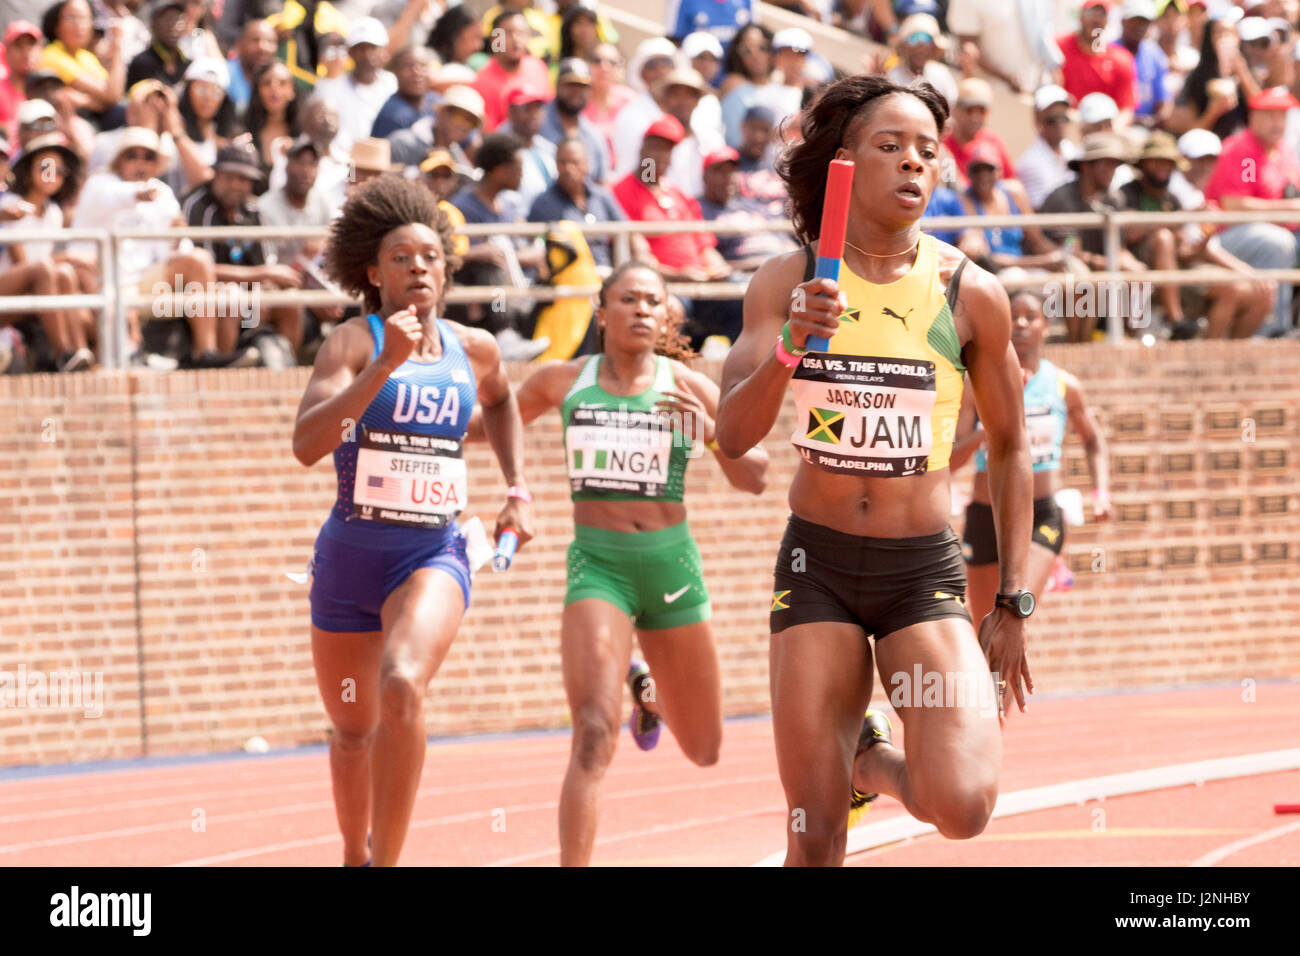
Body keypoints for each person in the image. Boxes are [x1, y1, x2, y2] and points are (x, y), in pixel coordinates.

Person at [716, 74, 1034, 866]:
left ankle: (870, 760)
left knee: (963, 805)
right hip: (815, 563)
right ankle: (842, 770)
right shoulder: (787, 282)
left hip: (919, 571)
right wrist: (792, 347)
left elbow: (1012, 445)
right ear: (844, 166)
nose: (913, 165)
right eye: (890, 147)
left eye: (928, 151)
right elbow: (730, 435)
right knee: (815, 834)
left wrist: (1016, 601)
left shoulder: (971, 293)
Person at [466, 260, 768, 865]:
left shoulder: (688, 385)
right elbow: (490, 423)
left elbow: (755, 476)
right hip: (598, 567)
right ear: (602, 312)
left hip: (672, 570)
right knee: (594, 735)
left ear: (666, 317)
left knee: (705, 748)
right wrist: (399, 418)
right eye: (627, 299)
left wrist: (707, 429)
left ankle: (646, 687)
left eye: (653, 302)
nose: (640, 310)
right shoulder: (564, 381)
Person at [292, 174, 534, 868]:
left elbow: (501, 403)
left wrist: (517, 486)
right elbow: (308, 445)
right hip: (346, 557)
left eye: (431, 256)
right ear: (373, 272)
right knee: (352, 731)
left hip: (432, 551)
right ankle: (353, 853)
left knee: (401, 684)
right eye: (402, 257)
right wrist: (383, 368)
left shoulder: (476, 347)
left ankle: (388, 863)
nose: (419, 267)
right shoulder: (351, 344)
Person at [951, 290, 1110, 633]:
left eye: (1031, 317)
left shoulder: (1065, 385)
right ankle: (995, 689)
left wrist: (1101, 492)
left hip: (1041, 513)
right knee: (985, 630)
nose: (1021, 324)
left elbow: (1094, 439)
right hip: (985, 516)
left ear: (1046, 326)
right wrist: (992, 426)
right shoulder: (975, 386)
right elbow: (951, 460)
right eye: (1014, 317)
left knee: (1011, 619)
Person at [71, 126, 255, 369]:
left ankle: (206, 354)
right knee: (118, 299)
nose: (140, 162)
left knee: (200, 262)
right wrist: (140, 193)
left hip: (147, 284)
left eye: (148, 156)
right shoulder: (100, 183)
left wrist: (176, 240)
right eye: (132, 155)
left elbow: (172, 254)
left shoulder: (163, 192)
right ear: (119, 160)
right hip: (103, 281)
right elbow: (113, 196)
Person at [181, 140, 306, 362]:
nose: (236, 185)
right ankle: (221, 372)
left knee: (290, 302)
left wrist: (264, 290)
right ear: (216, 174)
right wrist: (263, 275)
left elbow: (268, 265)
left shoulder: (254, 210)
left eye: (243, 179)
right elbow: (203, 271)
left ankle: (286, 373)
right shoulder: (198, 205)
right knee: (230, 297)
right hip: (207, 297)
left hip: (250, 295)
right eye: (229, 177)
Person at [527, 137, 626, 268]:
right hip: (568, 278)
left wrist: (641, 251)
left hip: (604, 272)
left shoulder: (602, 196)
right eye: (563, 162)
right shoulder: (543, 203)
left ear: (586, 164)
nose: (568, 168)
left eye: (574, 162)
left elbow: (625, 227)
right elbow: (534, 242)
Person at [314, 18, 397, 153]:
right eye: (360, 48)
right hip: (346, 164)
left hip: (385, 159)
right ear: (350, 52)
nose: (367, 55)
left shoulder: (392, 83)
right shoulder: (330, 88)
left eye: (373, 47)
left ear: (383, 50)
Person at [40, 0, 126, 117]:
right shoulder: (51, 54)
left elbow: (114, 94)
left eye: (84, 18)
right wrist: (116, 45)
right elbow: (110, 95)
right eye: (71, 18)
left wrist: (85, 100)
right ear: (56, 25)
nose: (79, 25)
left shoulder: (86, 57)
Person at [472, 10, 552, 133]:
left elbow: (549, 112)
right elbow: (489, 133)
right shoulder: (482, 81)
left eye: (521, 33)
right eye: (508, 33)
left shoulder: (538, 67)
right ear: (495, 38)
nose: (515, 39)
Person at [1058, 0, 1138, 124]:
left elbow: (1126, 110)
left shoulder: (1121, 60)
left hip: (1104, 131)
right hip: (1065, 125)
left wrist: (1108, 128)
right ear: (1081, 16)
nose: (1096, 19)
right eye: (1091, 13)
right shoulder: (1059, 49)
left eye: (1102, 14)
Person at [540, 58, 609, 185]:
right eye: (571, 85)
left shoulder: (593, 136)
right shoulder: (537, 121)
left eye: (582, 86)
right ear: (558, 85)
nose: (576, 92)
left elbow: (601, 184)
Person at [1016, 85, 1081, 209]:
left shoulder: (1074, 152)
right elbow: (1041, 211)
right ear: (1038, 120)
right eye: (1052, 120)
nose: (1060, 125)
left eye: (1064, 118)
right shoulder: (1030, 162)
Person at [244, 60, 301, 169]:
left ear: (292, 90)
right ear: (257, 90)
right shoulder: (243, 132)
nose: (274, 89)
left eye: (282, 83)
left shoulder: (305, 132)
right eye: (267, 83)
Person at [371, 46, 435, 139]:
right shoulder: (393, 116)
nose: (417, 72)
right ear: (396, 72)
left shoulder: (437, 103)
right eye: (409, 66)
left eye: (423, 65)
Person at [126, 0, 191, 90]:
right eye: (166, 19)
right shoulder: (142, 63)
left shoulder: (188, 64)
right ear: (153, 25)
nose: (173, 26)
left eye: (177, 19)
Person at [225, 19, 276, 111]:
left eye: (270, 41)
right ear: (239, 44)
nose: (263, 47)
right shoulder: (224, 76)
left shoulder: (279, 81)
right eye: (255, 40)